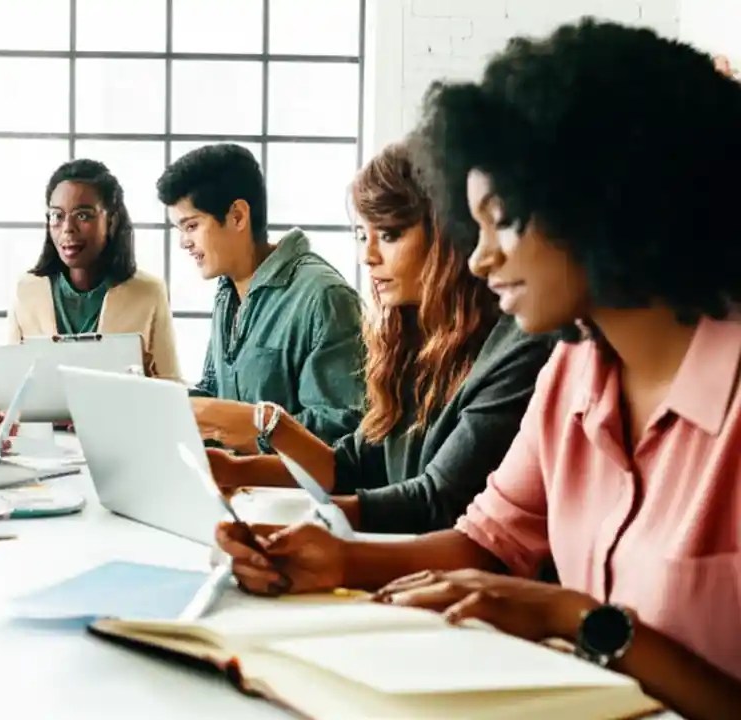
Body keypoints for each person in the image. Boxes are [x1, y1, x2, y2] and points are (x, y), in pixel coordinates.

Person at [217, 21, 741, 717]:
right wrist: (336, 558)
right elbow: (490, 541)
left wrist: (575, 618)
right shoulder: (575, 371)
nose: (479, 257)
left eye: (502, 222)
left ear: (606, 200)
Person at [206, 144, 553, 534]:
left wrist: (311, 522)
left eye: (388, 234)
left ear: (449, 235)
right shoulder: (409, 339)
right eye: (360, 235)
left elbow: (436, 501)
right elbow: (351, 465)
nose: (367, 256)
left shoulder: (515, 349)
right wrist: (235, 467)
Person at [158, 143, 365, 450]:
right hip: (235, 484)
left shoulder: (323, 297)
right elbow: (214, 392)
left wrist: (239, 423)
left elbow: (339, 427)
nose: (183, 243)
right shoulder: (228, 291)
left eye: (191, 226)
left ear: (238, 216)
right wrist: (158, 408)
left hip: (290, 494)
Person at [8, 158, 181, 381]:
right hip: (41, 418)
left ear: (112, 221)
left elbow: (171, 383)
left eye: (83, 215)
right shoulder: (26, 291)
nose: (68, 229)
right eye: (57, 216)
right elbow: (10, 385)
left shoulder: (148, 292)